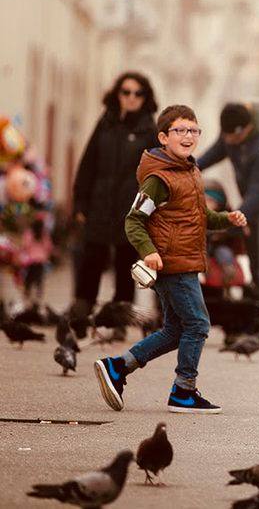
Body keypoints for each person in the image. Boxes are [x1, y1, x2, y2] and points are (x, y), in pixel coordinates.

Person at [94, 105, 246, 414]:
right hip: (172, 263)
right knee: (199, 324)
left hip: (185, 261)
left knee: (175, 329)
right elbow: (134, 220)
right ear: (164, 137)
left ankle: (118, 367)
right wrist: (149, 251)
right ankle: (183, 390)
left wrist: (227, 219)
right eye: (180, 130)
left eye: (194, 130)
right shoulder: (159, 178)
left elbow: (199, 217)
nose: (188, 136)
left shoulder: (189, 170)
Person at [197, 102, 259, 317]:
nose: (229, 142)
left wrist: (234, 221)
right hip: (252, 201)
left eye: (233, 138)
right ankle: (254, 312)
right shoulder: (231, 132)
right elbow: (215, 152)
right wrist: (189, 168)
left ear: (247, 129)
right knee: (253, 256)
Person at [71, 72, 158, 317]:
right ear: (117, 95)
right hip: (100, 204)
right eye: (126, 92)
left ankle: (120, 315)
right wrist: (80, 202)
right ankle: (82, 309)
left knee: (124, 262)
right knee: (92, 256)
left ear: (145, 97)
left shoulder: (148, 129)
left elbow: (155, 174)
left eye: (137, 93)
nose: (131, 98)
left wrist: (149, 210)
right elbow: (88, 164)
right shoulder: (105, 123)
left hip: (130, 208)